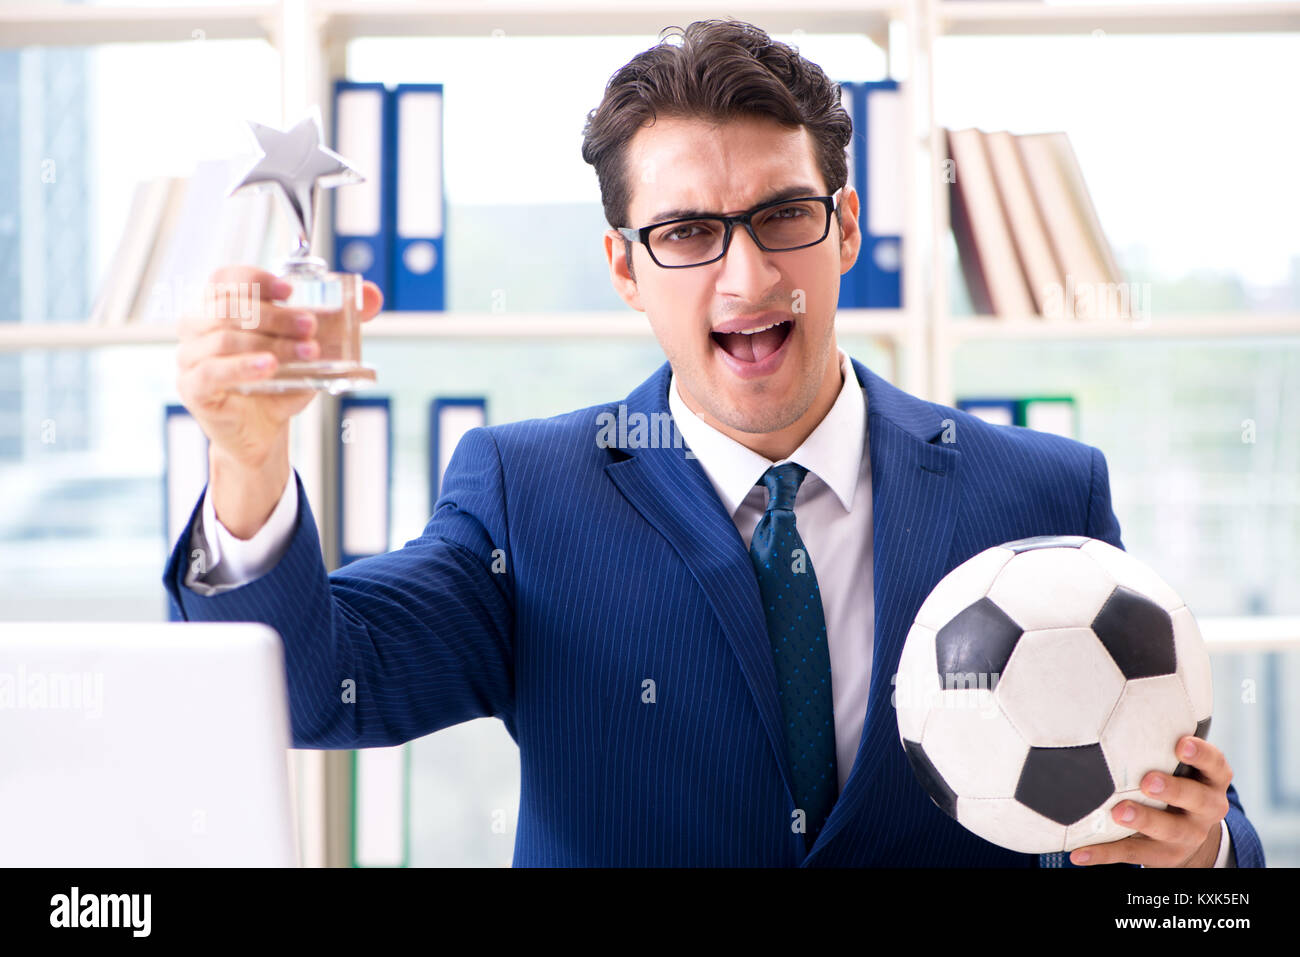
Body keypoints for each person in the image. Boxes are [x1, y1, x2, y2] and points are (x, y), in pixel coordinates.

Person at [166, 19, 1262, 867]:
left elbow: (1178, 831)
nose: (747, 279)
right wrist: (249, 464)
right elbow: (316, 692)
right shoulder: (525, 496)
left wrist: (1195, 852)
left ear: (842, 227)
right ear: (624, 269)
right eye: (687, 233)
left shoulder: (1041, 491)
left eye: (784, 216)